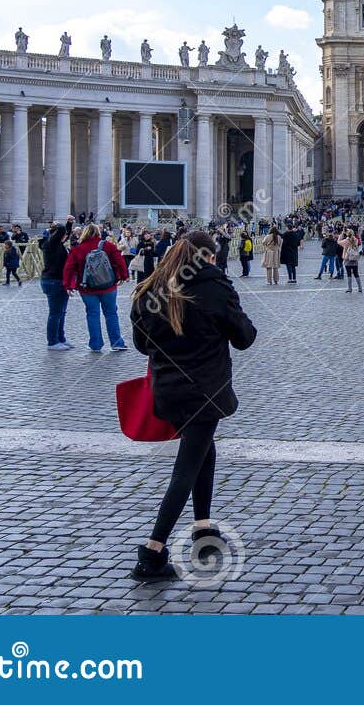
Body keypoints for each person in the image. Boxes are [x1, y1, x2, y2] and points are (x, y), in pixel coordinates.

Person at [128, 232, 258, 582]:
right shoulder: (216, 289)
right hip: (205, 391)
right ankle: (152, 554)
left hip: (168, 390)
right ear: (211, 258)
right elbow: (244, 338)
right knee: (185, 469)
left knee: (204, 453)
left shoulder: (151, 289)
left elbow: (142, 344)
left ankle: (203, 526)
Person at [61, 223, 130, 353]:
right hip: (108, 286)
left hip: (87, 288)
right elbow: (119, 260)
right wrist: (124, 276)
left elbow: (68, 268)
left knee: (92, 314)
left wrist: (67, 285)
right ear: (98, 233)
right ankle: (117, 343)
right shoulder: (108, 246)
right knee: (111, 313)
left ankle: (95, 344)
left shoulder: (77, 249)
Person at [38, 220, 73, 349]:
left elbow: (66, 234)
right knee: (55, 313)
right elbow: (62, 232)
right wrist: (61, 224)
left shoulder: (56, 244)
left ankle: (60, 338)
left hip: (58, 280)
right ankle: (52, 341)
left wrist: (69, 224)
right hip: (53, 280)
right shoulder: (51, 244)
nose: (65, 238)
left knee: (61, 312)